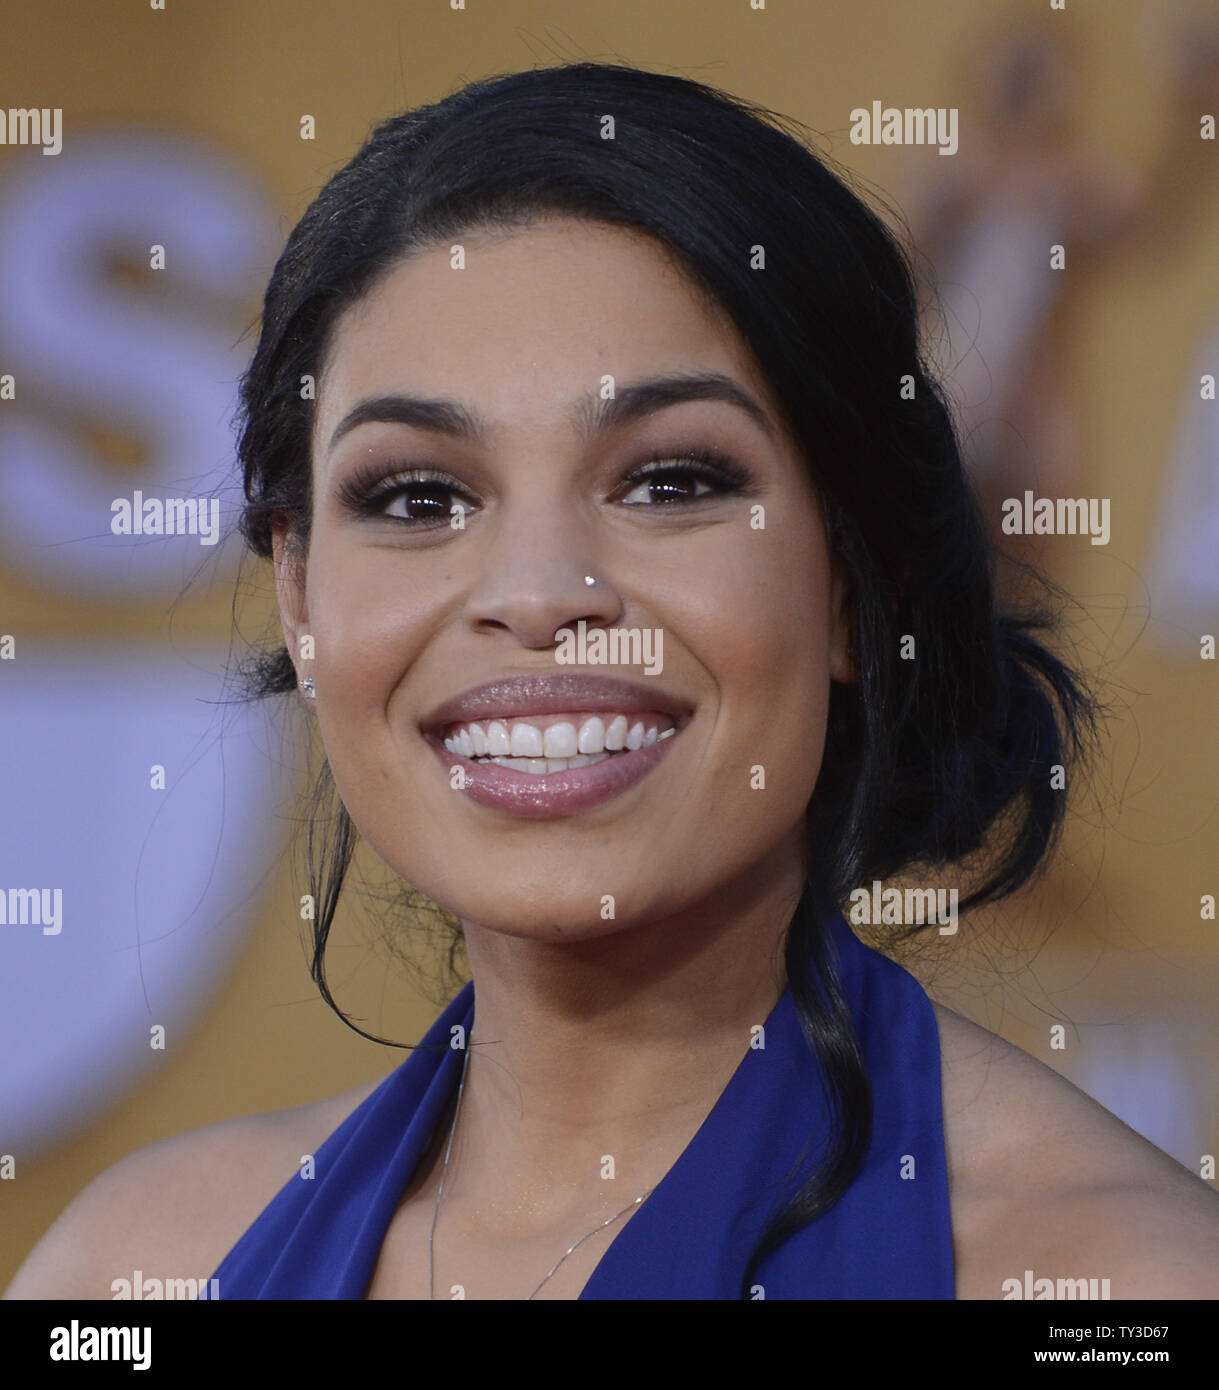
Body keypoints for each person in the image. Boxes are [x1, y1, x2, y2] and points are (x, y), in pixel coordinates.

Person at [8, 60, 1219, 1301]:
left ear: (859, 578)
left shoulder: (1116, 1286)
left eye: (671, 481)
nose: (536, 594)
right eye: (417, 495)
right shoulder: (133, 1271)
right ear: (302, 600)